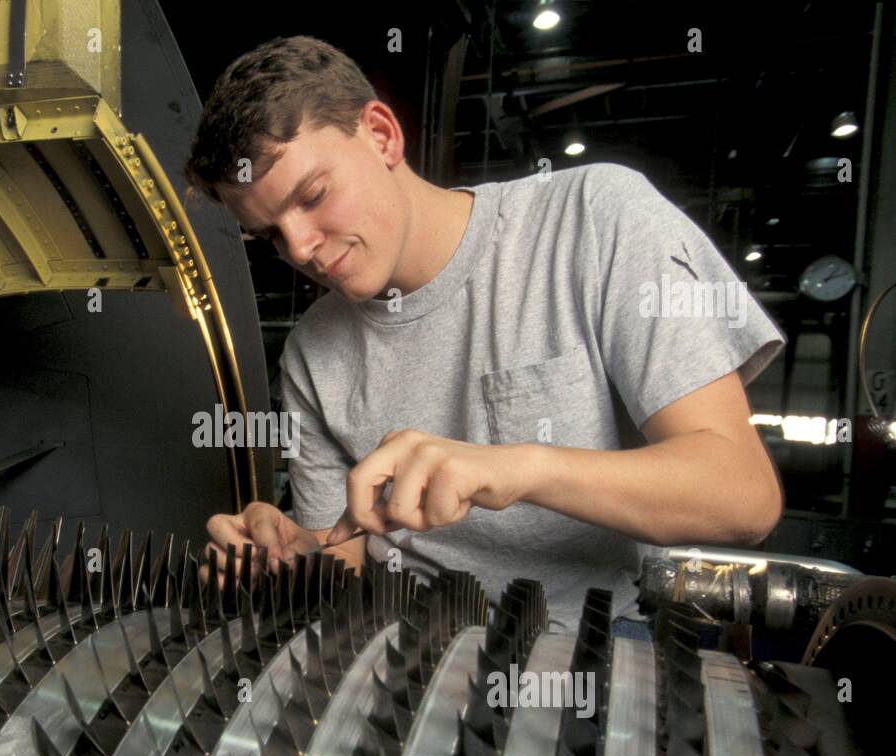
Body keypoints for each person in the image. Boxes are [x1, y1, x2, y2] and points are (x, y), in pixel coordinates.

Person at [185, 36, 785, 633]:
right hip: (403, 649)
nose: (301, 248)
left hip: (587, 645)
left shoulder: (595, 220)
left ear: (381, 135)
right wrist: (291, 555)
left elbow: (742, 497)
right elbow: (345, 563)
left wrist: (517, 469)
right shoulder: (313, 352)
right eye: (269, 235)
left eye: (313, 196)